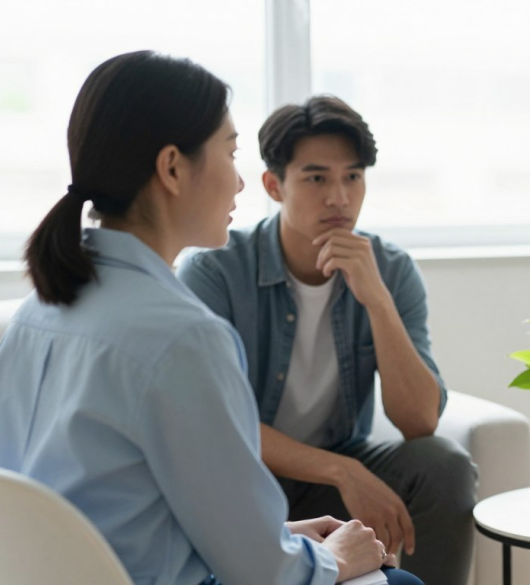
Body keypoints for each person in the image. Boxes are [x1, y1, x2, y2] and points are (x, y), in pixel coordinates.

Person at [0, 51, 421, 585]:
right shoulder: (184, 336)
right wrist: (336, 558)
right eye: (230, 152)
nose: (239, 183)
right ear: (172, 168)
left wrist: (283, 538)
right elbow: (262, 574)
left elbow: (127, 513)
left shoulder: (40, 309)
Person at [177, 95, 477, 585]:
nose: (339, 197)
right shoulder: (215, 270)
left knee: (442, 465)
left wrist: (377, 299)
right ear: (274, 185)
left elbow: (419, 420)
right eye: (317, 178)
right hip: (241, 482)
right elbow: (217, 421)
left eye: (352, 177)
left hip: (330, 482)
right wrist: (344, 471)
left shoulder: (391, 268)